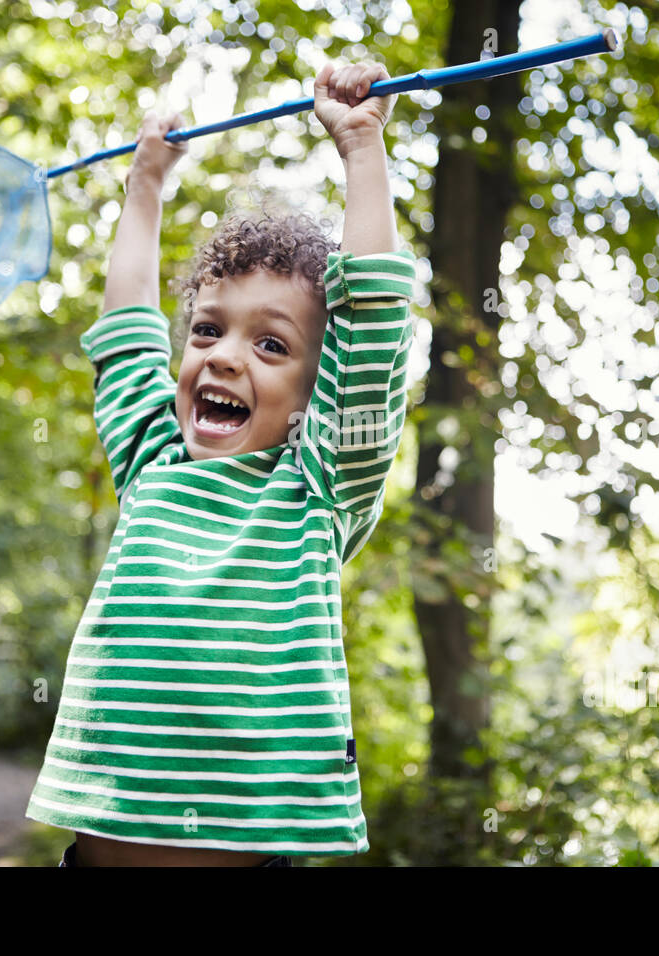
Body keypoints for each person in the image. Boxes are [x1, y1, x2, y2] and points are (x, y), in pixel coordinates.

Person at [25, 59, 418, 867]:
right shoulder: (151, 460)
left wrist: (361, 150)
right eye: (207, 331)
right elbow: (129, 330)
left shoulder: (316, 485)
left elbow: (374, 323)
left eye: (271, 344)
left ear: (319, 397)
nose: (225, 357)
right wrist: (144, 188)